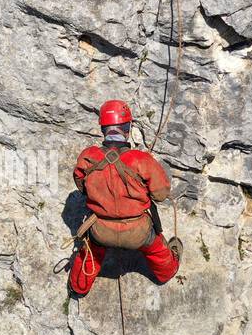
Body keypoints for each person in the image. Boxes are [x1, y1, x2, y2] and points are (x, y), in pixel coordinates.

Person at [68, 100, 182, 296]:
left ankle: (78, 287)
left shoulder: (88, 157)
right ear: (127, 129)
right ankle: (167, 272)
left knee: (91, 253)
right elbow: (161, 195)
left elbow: (81, 186)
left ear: (103, 129)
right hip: (138, 232)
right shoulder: (141, 159)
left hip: (100, 229)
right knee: (157, 251)